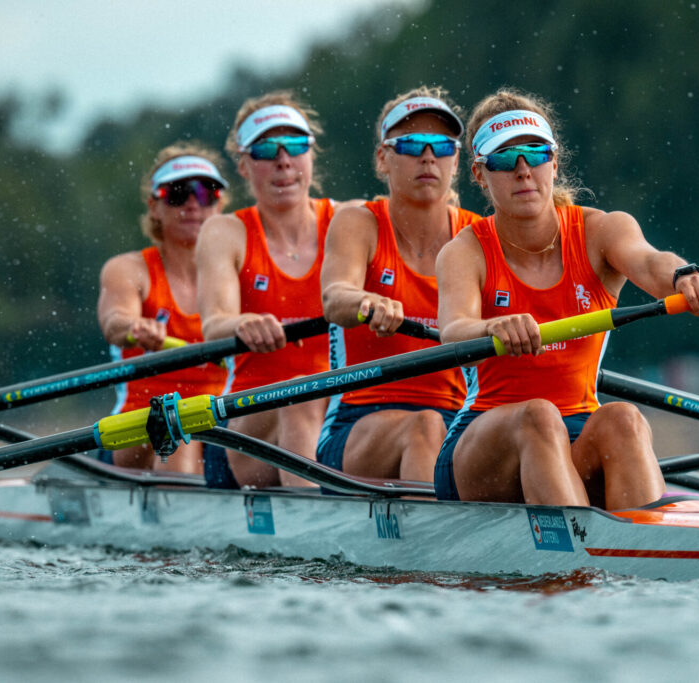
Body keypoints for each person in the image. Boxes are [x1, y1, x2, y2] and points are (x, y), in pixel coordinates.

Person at [434, 89, 699, 508]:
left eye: (535, 154)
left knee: (624, 418)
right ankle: (586, 541)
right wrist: (492, 326)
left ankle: (644, 543)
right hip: (483, 446)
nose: (523, 170)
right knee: (539, 415)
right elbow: (454, 330)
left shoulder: (601, 231)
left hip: (577, 434)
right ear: (480, 174)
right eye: (504, 158)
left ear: (553, 163)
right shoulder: (465, 251)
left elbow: (651, 262)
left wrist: (684, 276)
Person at [318, 87, 479, 482]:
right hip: (359, 420)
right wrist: (365, 302)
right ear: (382, 159)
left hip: (460, 419)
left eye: (442, 146)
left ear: (455, 161)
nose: (428, 156)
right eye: (411, 144)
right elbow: (334, 297)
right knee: (425, 426)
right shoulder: (358, 224)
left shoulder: (478, 236)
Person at [196, 92, 339, 488]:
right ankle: (315, 520)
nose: (283, 161)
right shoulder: (225, 232)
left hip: (343, 407)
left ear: (310, 154)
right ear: (243, 165)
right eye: (265, 150)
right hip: (251, 418)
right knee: (299, 396)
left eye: (295, 145)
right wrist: (242, 323)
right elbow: (215, 324)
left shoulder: (348, 220)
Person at [97, 143, 231, 474]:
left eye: (205, 192)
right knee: (179, 430)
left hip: (222, 418)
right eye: (178, 194)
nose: (192, 204)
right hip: (140, 424)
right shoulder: (129, 269)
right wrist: (134, 328)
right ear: (154, 207)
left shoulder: (241, 273)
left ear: (219, 205)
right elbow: (115, 321)